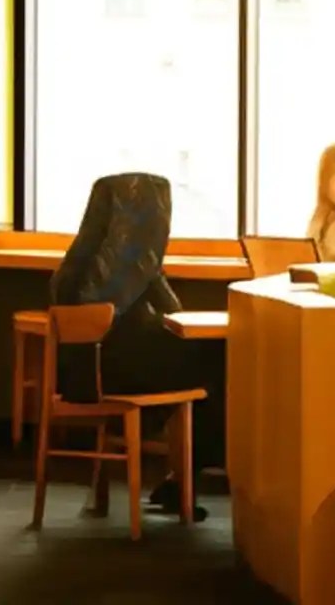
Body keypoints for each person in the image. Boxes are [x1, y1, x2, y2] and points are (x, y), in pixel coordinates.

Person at [52, 173, 224, 520]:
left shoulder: (86, 259)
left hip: (81, 373)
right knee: (219, 361)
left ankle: (182, 479)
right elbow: (174, 314)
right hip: (113, 373)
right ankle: (188, 478)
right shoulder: (131, 264)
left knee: (207, 364)